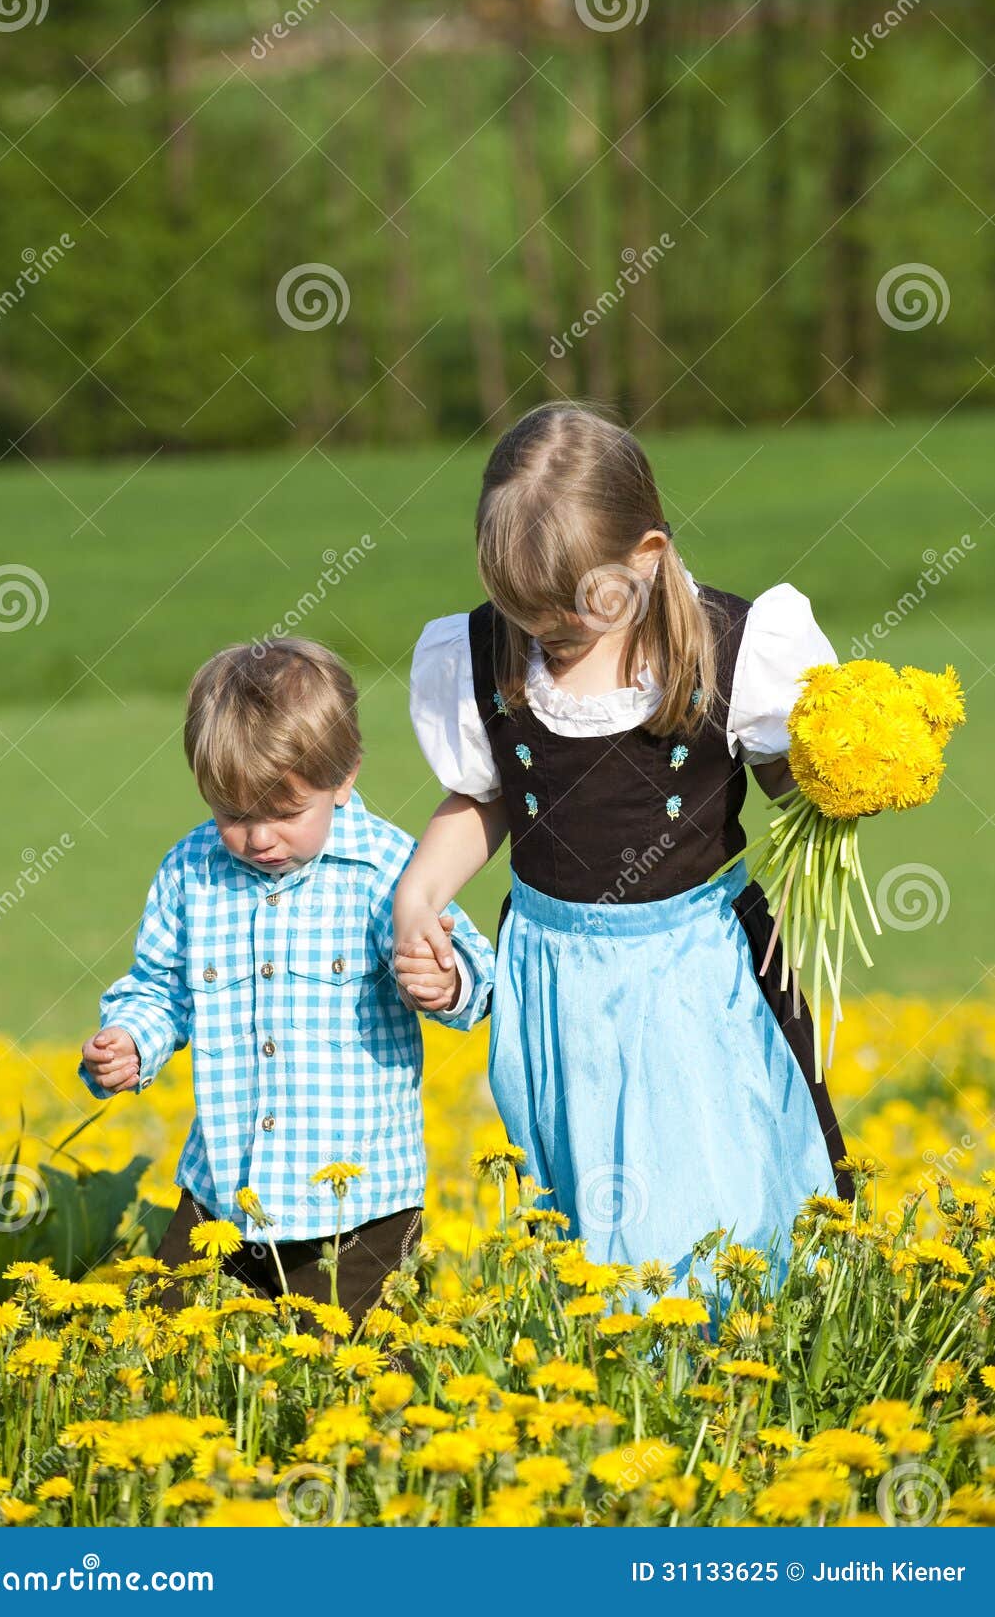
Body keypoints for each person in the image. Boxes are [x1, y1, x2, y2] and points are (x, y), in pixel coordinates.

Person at [393, 402, 854, 1306]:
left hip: (702, 978)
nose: (550, 631)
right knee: (594, 1221)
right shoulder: (482, 653)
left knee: (726, 1197)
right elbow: (485, 799)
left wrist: (841, 770)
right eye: (524, 613)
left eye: (572, 611)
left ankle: (738, 1381)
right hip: (556, 982)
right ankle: (628, 1391)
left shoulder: (737, 646)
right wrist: (418, 898)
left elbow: (779, 782)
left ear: (646, 554)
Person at [80, 637, 494, 1318]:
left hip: (359, 1208)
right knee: (164, 1345)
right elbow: (160, 987)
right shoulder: (190, 871)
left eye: (285, 814)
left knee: (352, 1371)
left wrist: (443, 982)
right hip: (222, 1190)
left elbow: (473, 978)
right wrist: (130, 1037)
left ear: (344, 778)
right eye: (234, 815)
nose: (259, 837)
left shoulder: (389, 869)